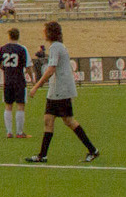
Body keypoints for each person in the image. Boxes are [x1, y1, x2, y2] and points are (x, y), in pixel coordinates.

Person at [25, 21, 99, 163]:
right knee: (49, 120)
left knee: (68, 121)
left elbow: (51, 70)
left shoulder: (55, 47)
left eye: (45, 30)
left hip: (61, 90)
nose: (43, 33)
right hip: (56, 89)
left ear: (50, 33)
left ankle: (93, 150)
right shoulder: (57, 46)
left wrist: (36, 86)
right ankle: (42, 155)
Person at [0, 27, 31, 138]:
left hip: (7, 81)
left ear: (9, 36)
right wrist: (32, 78)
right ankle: (19, 132)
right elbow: (27, 65)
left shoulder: (3, 48)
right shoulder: (21, 49)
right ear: (18, 36)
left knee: (8, 106)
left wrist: (6, 70)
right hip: (19, 81)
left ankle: (9, 132)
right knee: (20, 106)